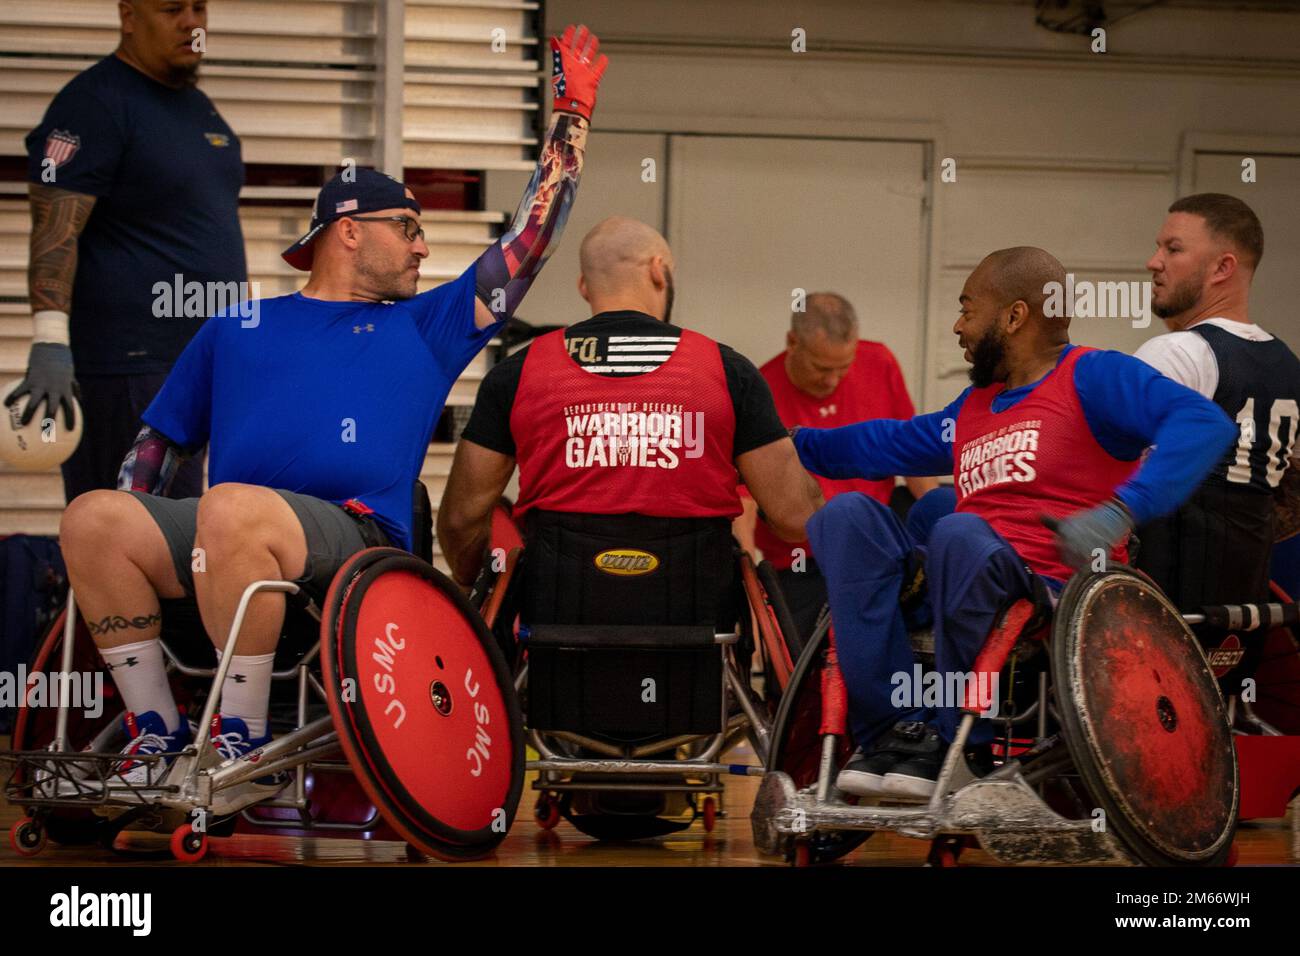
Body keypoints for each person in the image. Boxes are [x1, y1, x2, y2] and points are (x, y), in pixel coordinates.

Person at [54, 24, 608, 807]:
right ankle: (157, 731)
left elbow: (529, 241)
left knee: (230, 507)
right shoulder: (237, 325)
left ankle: (239, 747)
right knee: (93, 519)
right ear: (348, 232)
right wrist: (135, 510)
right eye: (408, 228)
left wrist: (572, 116)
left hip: (355, 547)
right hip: (228, 538)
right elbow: (157, 443)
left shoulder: (429, 324)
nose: (423, 248)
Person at [791, 246, 1235, 799]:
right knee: (847, 517)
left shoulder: (1092, 376)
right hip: (966, 575)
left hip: (1047, 592)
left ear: (1014, 316)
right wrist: (785, 444)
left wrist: (1121, 510)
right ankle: (894, 732)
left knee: (953, 529)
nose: (958, 325)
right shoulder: (977, 405)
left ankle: (955, 738)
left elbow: (1203, 422)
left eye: (967, 309)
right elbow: (887, 441)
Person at [437, 216, 823, 605]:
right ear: (659, 271)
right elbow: (794, 518)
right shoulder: (727, 372)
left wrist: (469, 579)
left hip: (558, 617)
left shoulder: (517, 374)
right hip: (697, 621)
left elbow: (460, 520)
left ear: (584, 286)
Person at [7, 0, 245, 502]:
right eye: (171, 9)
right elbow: (54, 230)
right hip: (128, 369)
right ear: (128, 16)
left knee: (177, 535)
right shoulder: (94, 102)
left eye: (200, 8)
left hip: (192, 362)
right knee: (129, 535)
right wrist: (50, 340)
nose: (191, 23)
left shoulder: (195, 106)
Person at [734, 293, 940, 640]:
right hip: (801, 559)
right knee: (800, 671)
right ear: (792, 342)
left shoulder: (880, 361)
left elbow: (910, 457)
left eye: (843, 368)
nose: (833, 381)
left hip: (876, 542)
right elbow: (745, 504)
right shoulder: (761, 391)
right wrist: (750, 598)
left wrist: (939, 522)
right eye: (822, 368)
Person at [1132, 193, 1300, 609]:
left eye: (1173, 249)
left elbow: (1115, 469)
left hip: (1167, 598)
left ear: (1223, 267)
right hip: (1244, 600)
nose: (1154, 262)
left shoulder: (1176, 352)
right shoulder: (1287, 364)